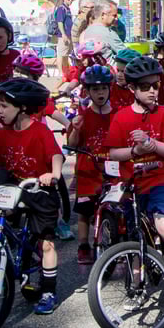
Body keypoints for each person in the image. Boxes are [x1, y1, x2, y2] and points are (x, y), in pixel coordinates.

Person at [106, 55, 164, 295]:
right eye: (145, 87)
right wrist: (136, 150)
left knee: (162, 221)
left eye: (155, 86)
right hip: (133, 184)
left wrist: (150, 143)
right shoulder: (122, 116)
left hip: (161, 179)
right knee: (135, 233)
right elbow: (114, 153)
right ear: (132, 88)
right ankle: (137, 284)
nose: (152, 91)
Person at [0, 78, 63, 313]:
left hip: (40, 190)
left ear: (21, 107)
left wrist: (54, 174)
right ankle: (8, 254)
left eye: (4, 106)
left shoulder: (40, 130)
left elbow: (56, 155)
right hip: (16, 189)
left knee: (47, 245)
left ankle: (49, 291)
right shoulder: (5, 134)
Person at [66, 64, 116, 265]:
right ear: (87, 91)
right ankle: (83, 245)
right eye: (95, 89)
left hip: (112, 170)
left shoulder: (118, 114)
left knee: (114, 208)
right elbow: (71, 145)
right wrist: (76, 130)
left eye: (103, 88)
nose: (100, 93)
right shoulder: (82, 115)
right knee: (84, 212)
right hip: (88, 172)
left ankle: (115, 244)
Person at [52, 0, 75, 75]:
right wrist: (63, 34)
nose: (70, 1)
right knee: (60, 54)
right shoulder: (61, 9)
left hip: (69, 35)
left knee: (66, 54)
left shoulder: (67, 9)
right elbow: (60, 22)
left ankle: (66, 72)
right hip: (63, 35)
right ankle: (60, 73)